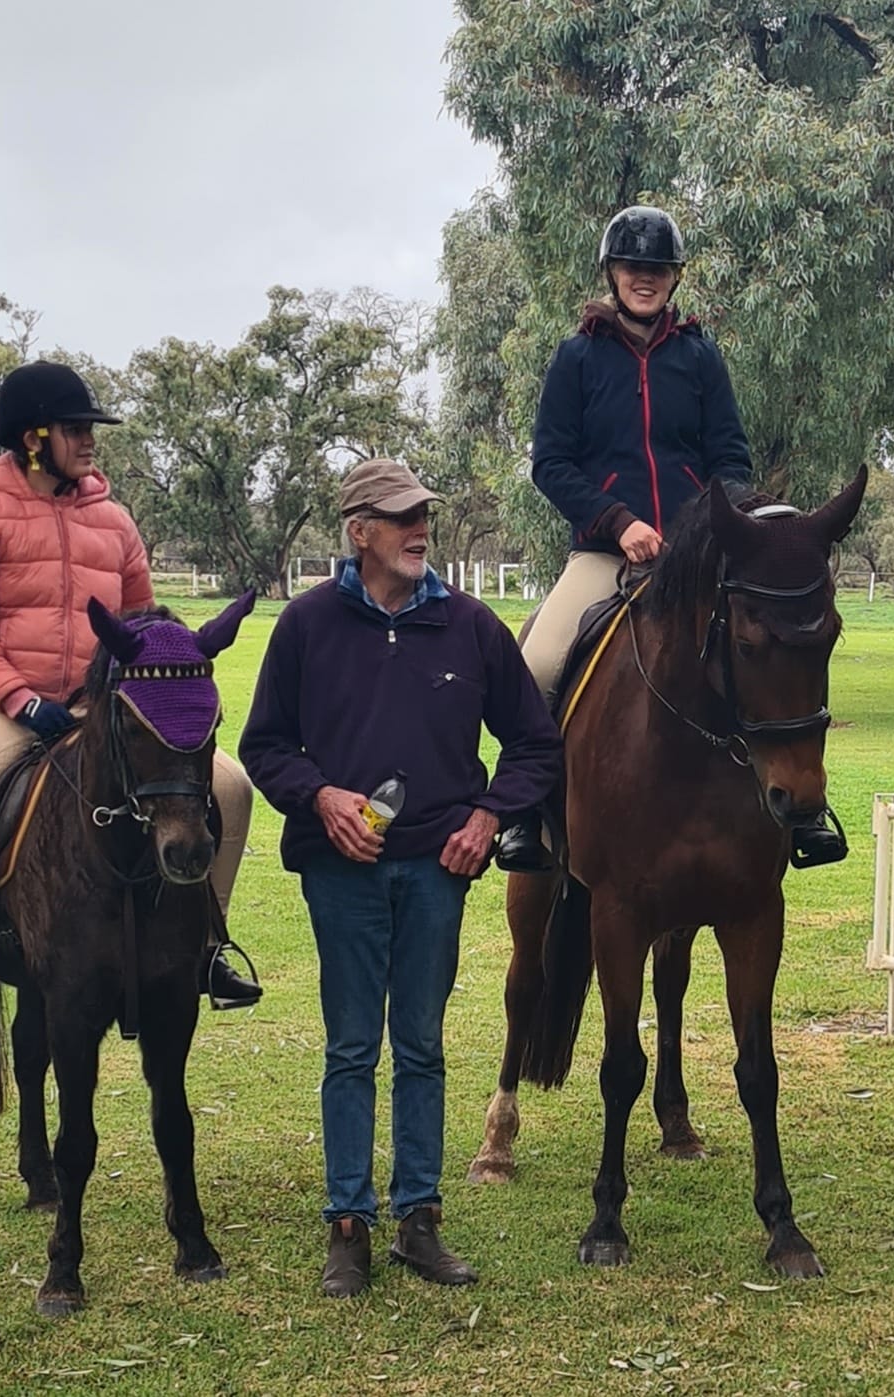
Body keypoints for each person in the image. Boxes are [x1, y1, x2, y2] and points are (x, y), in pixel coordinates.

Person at [240, 457, 561, 1299]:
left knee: (420, 1045)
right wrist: (321, 797)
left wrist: (488, 816)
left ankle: (419, 1218)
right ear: (359, 533)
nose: (420, 526)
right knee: (351, 1046)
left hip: (435, 871)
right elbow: (263, 746)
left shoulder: (473, 627)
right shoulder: (306, 625)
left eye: (423, 511)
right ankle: (349, 1224)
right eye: (400, 515)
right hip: (340, 870)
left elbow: (535, 743)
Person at [495, 204, 848, 872]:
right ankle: (524, 814)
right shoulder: (577, 357)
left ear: (675, 278)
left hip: (699, 562)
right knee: (535, 665)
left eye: (658, 269)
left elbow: (731, 460)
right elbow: (551, 464)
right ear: (612, 273)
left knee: (780, 653)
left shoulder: (699, 355)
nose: (645, 279)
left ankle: (803, 813)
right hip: (605, 554)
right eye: (633, 267)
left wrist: (713, 531)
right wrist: (617, 522)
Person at [0, 361, 261, 1046]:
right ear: (32, 437)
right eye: (75, 429)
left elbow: (142, 626)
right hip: (12, 706)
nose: (89, 441)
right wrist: (19, 699)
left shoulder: (114, 521)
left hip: (106, 709)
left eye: (88, 430)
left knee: (230, 787)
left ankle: (209, 944)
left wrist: (154, 685)